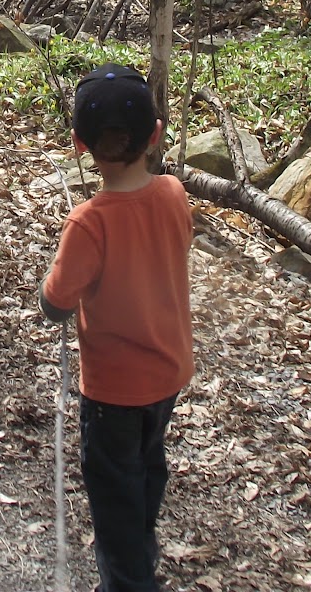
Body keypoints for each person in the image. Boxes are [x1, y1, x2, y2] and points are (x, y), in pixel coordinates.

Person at [40, 64, 193, 592]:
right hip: (168, 373)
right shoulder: (175, 193)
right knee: (148, 466)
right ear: (155, 135)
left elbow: (57, 301)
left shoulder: (89, 221)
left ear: (80, 144)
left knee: (114, 493)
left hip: (113, 392)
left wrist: (50, 285)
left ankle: (129, 579)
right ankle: (141, 551)